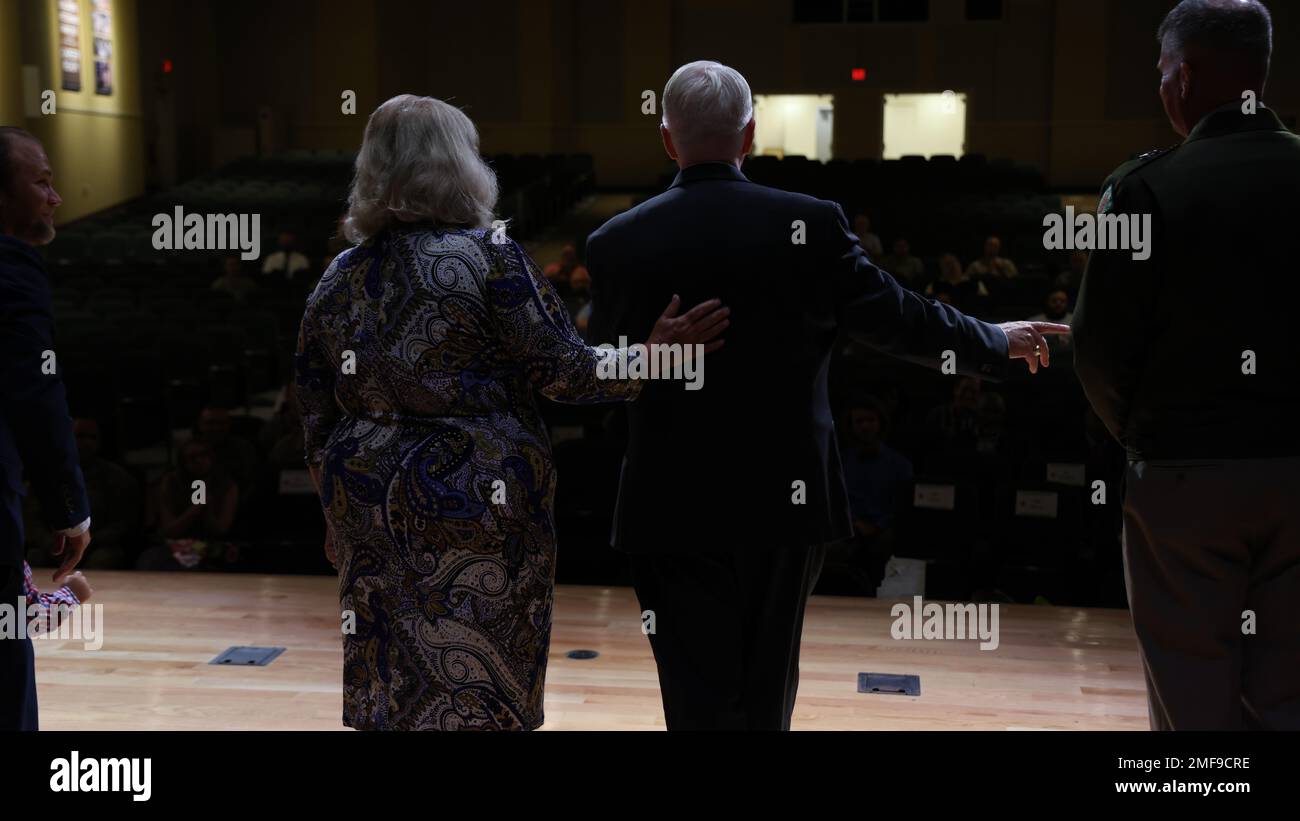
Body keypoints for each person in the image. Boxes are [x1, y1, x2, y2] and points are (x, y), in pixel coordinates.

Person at [586, 61, 1069, 731]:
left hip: (670, 503)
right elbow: (901, 320)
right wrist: (991, 337)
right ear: (749, 134)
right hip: (782, 499)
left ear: (667, 139)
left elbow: (592, 379)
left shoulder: (615, 242)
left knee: (693, 695)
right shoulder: (809, 223)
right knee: (765, 692)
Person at [294, 94, 728, 731]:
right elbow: (567, 373)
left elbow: (314, 411)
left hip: (367, 498)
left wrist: (335, 509)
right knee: (485, 683)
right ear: (460, 165)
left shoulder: (340, 275)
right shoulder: (489, 257)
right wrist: (655, 355)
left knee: (389, 675)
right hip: (480, 502)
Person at [1073, 0, 1300, 730]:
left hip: (1184, 474)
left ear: (1185, 74)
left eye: (1163, 69)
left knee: (1189, 697)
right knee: (1289, 691)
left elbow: (1099, 349)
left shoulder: (1144, 187)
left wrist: (1143, 436)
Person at [0, 126, 92, 731]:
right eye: (42, 182)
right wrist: (71, 509)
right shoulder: (11, 267)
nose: (56, 197)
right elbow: (36, 391)